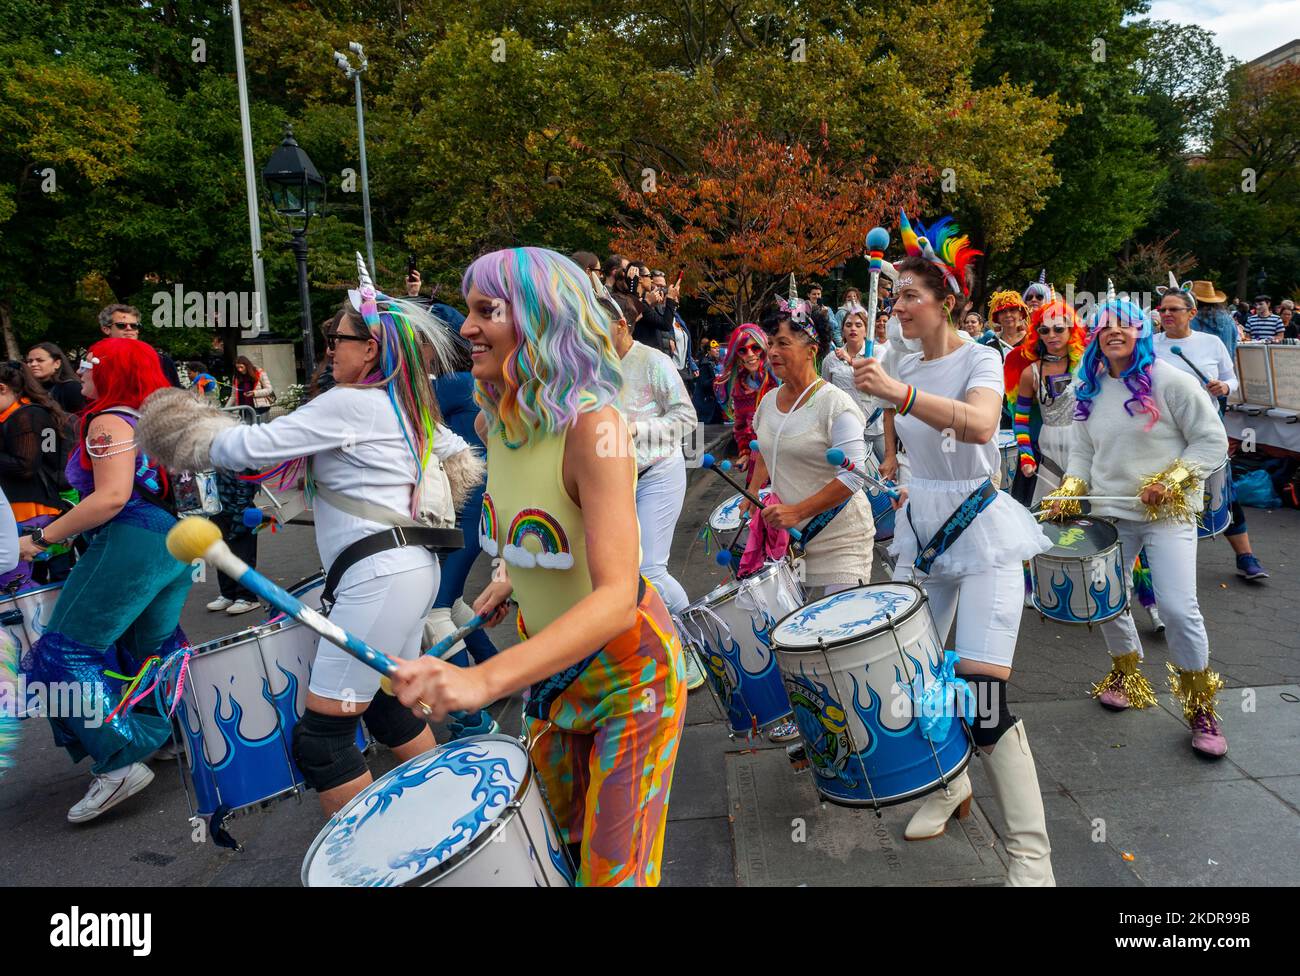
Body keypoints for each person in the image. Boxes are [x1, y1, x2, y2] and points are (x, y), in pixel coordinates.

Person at [390, 246, 686, 887]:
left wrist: (482, 682)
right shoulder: (497, 420)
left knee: (613, 876)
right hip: (553, 678)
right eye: (467, 310)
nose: (465, 327)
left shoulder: (598, 427)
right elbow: (543, 532)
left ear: (541, 320)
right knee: (549, 856)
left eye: (485, 311)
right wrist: (508, 580)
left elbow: (614, 596)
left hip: (628, 678)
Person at [139, 256, 478, 816]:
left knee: (322, 741)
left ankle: (378, 862)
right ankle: (439, 817)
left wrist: (181, 429)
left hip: (378, 577)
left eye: (337, 338)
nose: (329, 349)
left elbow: (248, 449)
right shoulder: (405, 403)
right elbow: (460, 457)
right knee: (387, 708)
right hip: (407, 569)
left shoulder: (350, 403)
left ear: (369, 348)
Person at [851, 211, 1055, 885]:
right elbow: (898, 426)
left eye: (910, 294)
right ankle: (950, 785)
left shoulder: (982, 356)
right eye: (896, 293)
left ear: (946, 300)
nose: (899, 305)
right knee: (921, 683)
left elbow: (979, 426)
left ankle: (1031, 861)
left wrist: (900, 393)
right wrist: (890, 468)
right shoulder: (900, 360)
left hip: (983, 535)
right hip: (924, 538)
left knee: (981, 698)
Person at [18, 339, 193, 822]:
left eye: (92, 362)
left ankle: (119, 759)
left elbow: (113, 497)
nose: (83, 370)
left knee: (63, 651)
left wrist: (41, 537)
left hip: (133, 538)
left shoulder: (108, 420)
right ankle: (167, 737)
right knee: (149, 647)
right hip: (174, 539)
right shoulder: (149, 416)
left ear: (114, 369)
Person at [1045, 295, 1229, 758]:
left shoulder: (1171, 381)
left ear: (1140, 332)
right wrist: (1071, 489)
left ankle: (1200, 705)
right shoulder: (1086, 387)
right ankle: (1127, 674)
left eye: (1125, 325)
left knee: (1178, 607)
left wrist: (1172, 481)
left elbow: (1212, 441)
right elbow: (1084, 452)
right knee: (1107, 600)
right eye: (1105, 326)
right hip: (1112, 514)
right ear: (1095, 337)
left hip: (1168, 516)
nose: (1115, 333)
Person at [402, 274, 503, 740]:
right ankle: (498, 670)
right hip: (474, 506)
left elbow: (399, 403)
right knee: (455, 598)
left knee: (435, 610)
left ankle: (472, 704)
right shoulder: (459, 382)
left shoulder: (452, 386)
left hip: (468, 507)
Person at [605, 290, 703, 691]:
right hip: (615, 480)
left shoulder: (653, 361)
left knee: (649, 569)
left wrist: (635, 430)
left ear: (622, 326)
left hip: (659, 470)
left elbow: (687, 418)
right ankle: (654, 649)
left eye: (599, 327)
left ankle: (697, 643)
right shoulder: (592, 368)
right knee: (619, 573)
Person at [748, 305, 874, 593]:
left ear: (811, 350)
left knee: (835, 635)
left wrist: (796, 511)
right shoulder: (768, 402)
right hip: (792, 544)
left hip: (842, 541)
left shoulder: (835, 404)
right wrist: (753, 492)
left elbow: (854, 476)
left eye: (783, 344)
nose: (772, 352)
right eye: (770, 344)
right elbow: (768, 449)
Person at [1154, 283, 1268, 580]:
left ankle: (1245, 557)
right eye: (1162, 309)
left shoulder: (1211, 343)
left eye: (1173, 309)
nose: (1166, 314)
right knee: (1160, 493)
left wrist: (1225, 386)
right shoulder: (1150, 345)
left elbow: (1234, 379)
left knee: (1221, 493)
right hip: (1162, 433)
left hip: (1205, 430)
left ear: (1191, 313)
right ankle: (1162, 565)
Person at [0, 361, 70, 588]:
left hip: (27, 512)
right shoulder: (21, 413)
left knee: (16, 588)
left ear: (3, 388)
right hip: (23, 510)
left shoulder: (27, 414)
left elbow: (25, 465)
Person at [1012, 299, 1086, 504]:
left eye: (1059, 329)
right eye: (1044, 330)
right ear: (1038, 334)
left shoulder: (1088, 366)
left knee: (1089, 515)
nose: (1052, 335)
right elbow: (1020, 420)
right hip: (1048, 453)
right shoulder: (1031, 373)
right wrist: (1026, 455)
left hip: (1083, 448)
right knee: (1048, 517)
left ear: (1072, 330)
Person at [823, 304, 888, 462]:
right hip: (845, 429)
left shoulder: (878, 352)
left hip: (875, 426)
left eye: (859, 325)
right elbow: (825, 393)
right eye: (848, 325)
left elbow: (873, 375)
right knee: (852, 476)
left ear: (866, 330)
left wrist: (851, 360)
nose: (853, 329)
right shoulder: (831, 359)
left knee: (889, 473)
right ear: (843, 330)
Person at [714, 324, 777, 470]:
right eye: (743, 350)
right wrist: (745, 453)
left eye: (755, 348)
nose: (750, 354)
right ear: (737, 356)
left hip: (783, 460)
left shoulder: (778, 380)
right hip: (758, 463)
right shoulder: (740, 387)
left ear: (763, 348)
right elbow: (741, 425)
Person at [98, 304, 181, 387]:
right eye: (121, 325)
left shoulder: (162, 361)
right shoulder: (97, 360)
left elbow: (176, 396)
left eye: (134, 326)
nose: (129, 328)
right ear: (106, 329)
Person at [25, 343, 86, 414]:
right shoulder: (26, 388)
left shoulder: (71, 388)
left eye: (40, 360)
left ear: (57, 363)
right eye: (30, 361)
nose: (33, 364)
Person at [1189, 281, 1240, 359]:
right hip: (1226, 367)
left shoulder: (1190, 320)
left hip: (1200, 369)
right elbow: (1234, 345)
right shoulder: (1229, 320)